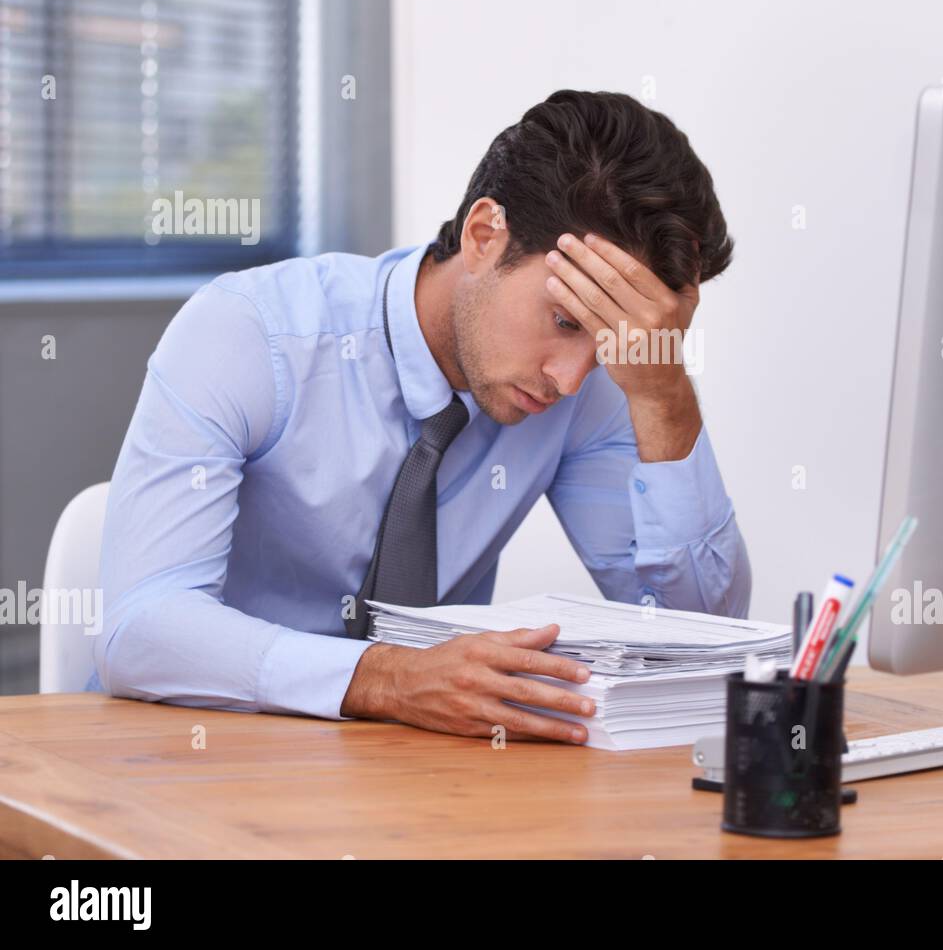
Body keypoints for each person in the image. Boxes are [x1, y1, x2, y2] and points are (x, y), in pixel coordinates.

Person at [92, 89, 751, 744]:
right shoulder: (251, 334)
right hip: (191, 758)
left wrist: (663, 394)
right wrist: (390, 679)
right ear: (485, 235)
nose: (570, 377)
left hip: (410, 787)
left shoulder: (592, 388)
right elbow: (142, 627)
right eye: (564, 321)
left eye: (606, 340)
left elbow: (698, 644)